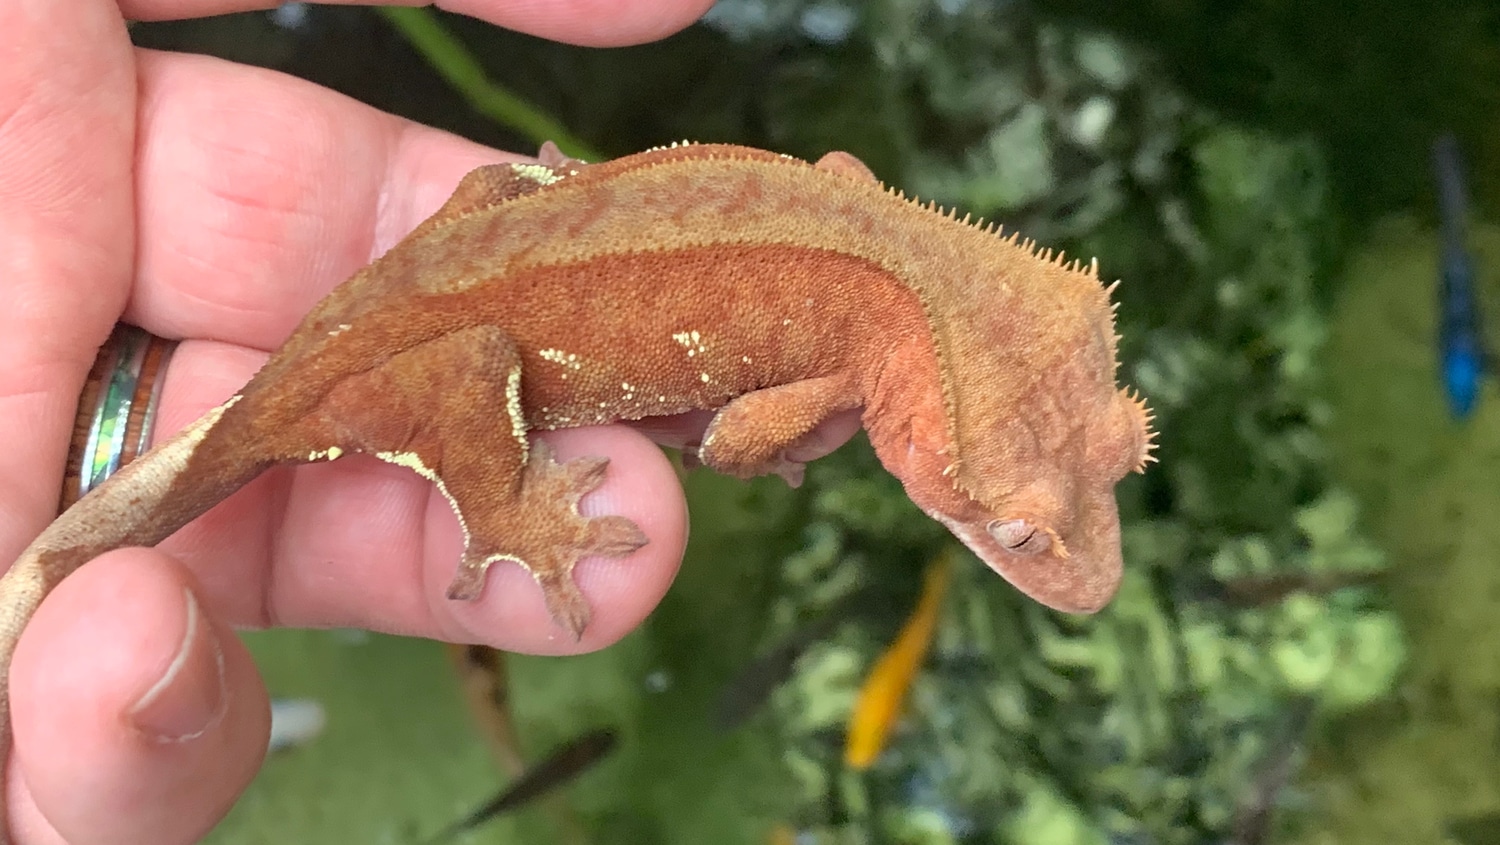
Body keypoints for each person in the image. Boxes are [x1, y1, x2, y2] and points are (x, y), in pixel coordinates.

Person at [0, 1, 774, 841]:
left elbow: (486, 194)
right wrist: (507, 506)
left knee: (484, 233)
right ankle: (501, 513)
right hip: (380, 353)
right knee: (466, 359)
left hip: (410, 303)